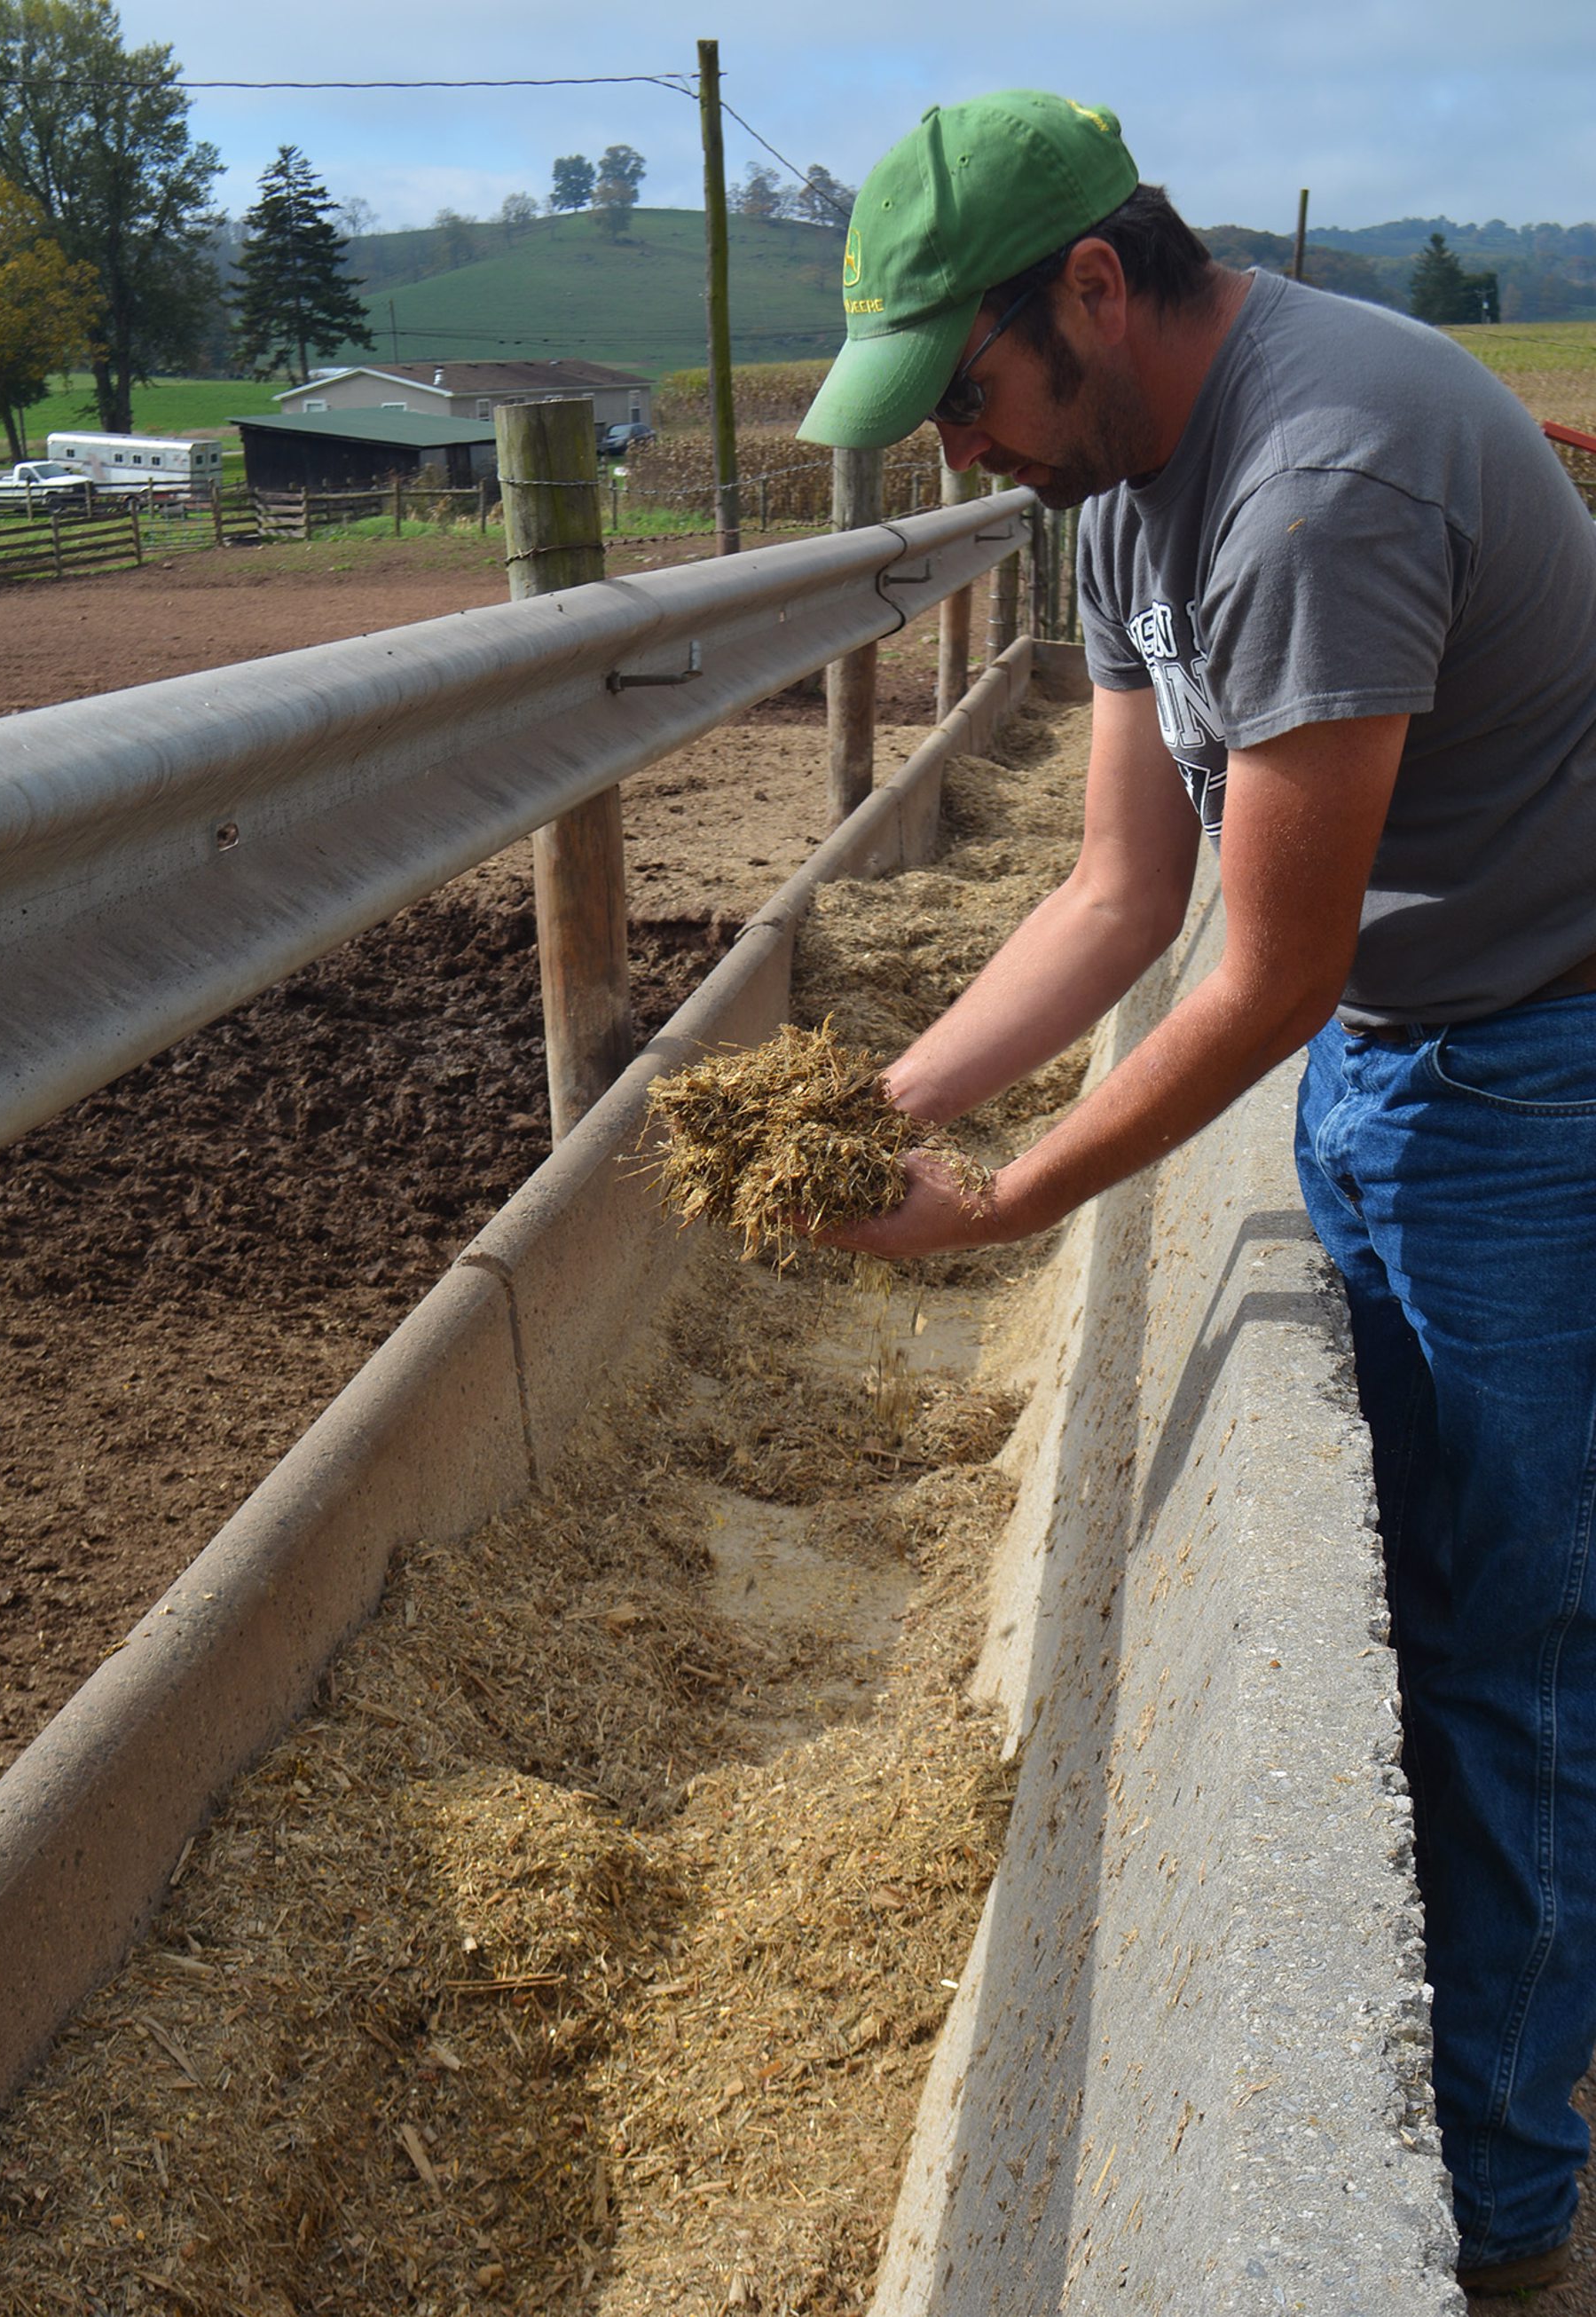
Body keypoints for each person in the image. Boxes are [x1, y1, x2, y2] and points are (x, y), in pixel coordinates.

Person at [796, 88, 1596, 2298]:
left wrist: (1019, 1195)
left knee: (1512, 1635)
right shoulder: (1122, 490)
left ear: (1091, 287)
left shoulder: (1314, 477)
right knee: (1441, 1579)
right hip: (1399, 1051)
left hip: (1534, 1067)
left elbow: (1268, 963)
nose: (957, 450)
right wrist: (884, 1102)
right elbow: (1121, 886)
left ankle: (1511, 2206)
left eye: (959, 395)